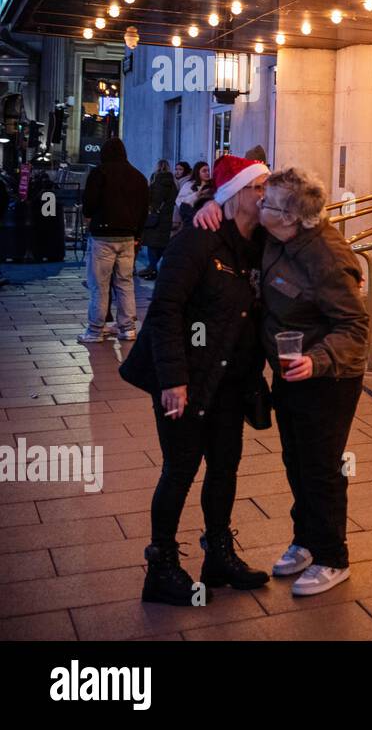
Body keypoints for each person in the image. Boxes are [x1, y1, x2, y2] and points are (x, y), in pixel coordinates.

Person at [194, 167, 369, 596]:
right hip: (290, 373)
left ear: (289, 216)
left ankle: (333, 557)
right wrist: (210, 204)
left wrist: (318, 359)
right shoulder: (275, 237)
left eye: (267, 202)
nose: (260, 204)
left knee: (322, 466)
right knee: (296, 460)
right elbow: (235, 217)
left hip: (329, 378)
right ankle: (306, 540)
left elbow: (354, 327)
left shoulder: (328, 257)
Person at [119, 154, 273, 605]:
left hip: (230, 382)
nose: (267, 195)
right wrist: (173, 380)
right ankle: (161, 567)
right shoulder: (197, 240)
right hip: (185, 377)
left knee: (225, 467)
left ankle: (218, 556)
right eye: (260, 187)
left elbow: (305, 229)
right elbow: (166, 311)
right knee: (181, 469)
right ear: (238, 194)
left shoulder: (262, 242)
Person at [78, 137, 147, 344]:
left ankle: (95, 330)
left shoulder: (99, 173)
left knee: (100, 284)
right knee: (125, 282)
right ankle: (128, 328)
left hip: (102, 236)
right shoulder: (138, 176)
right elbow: (144, 210)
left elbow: (89, 204)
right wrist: (137, 235)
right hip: (127, 237)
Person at [139, 160, 177, 280]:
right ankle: (156, 267)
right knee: (162, 244)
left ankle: (152, 268)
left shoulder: (155, 180)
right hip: (168, 217)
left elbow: (151, 198)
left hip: (155, 217)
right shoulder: (174, 182)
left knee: (152, 244)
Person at [172, 160, 210, 237]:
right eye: (204, 171)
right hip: (191, 222)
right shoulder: (189, 185)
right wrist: (197, 194)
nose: (207, 173)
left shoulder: (211, 184)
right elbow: (180, 202)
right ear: (198, 172)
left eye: (208, 170)